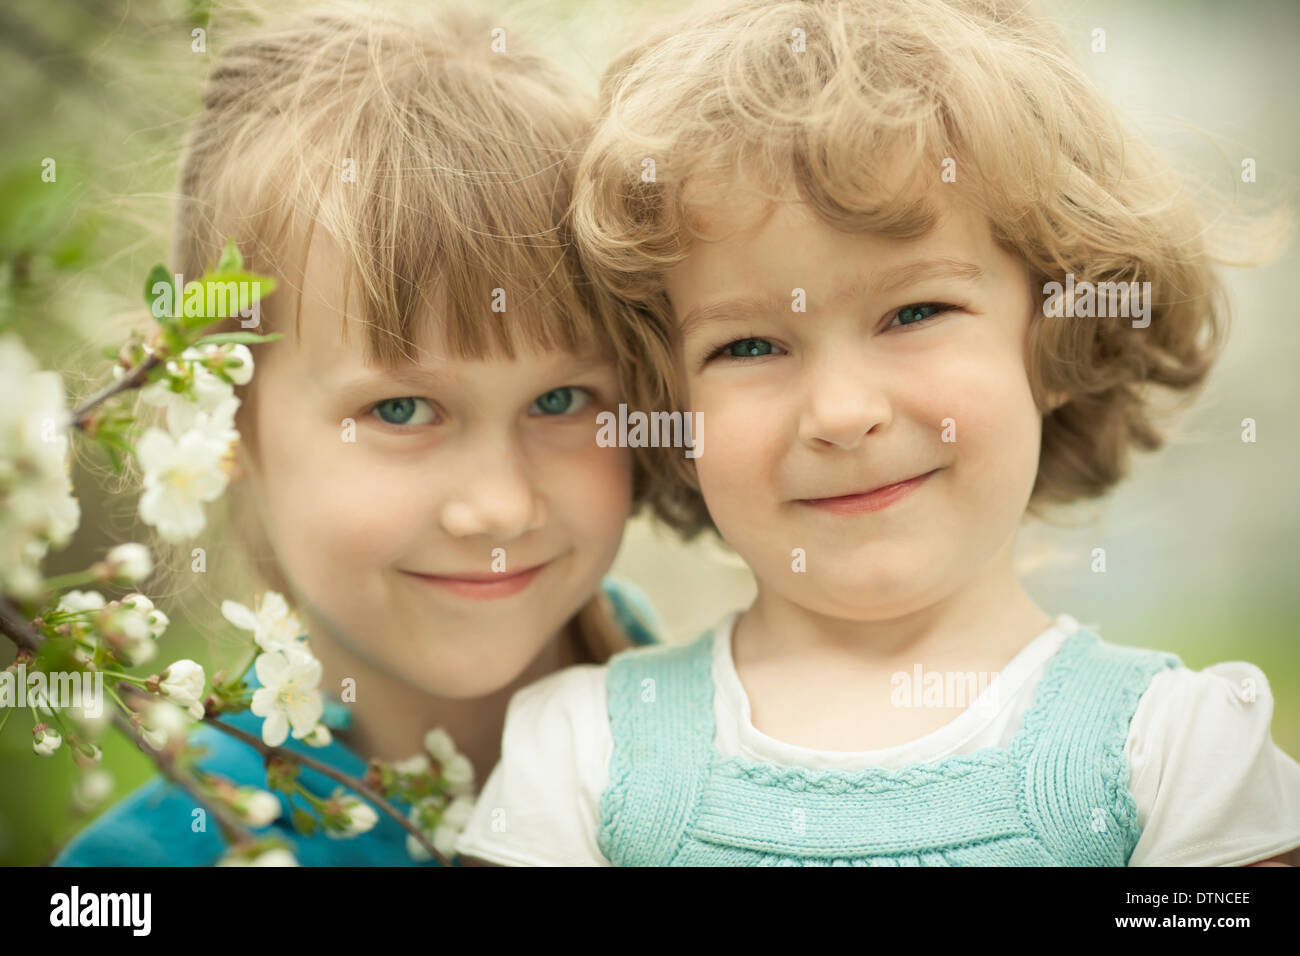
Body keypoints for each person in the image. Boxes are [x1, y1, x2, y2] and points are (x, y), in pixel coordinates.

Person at [456, 0, 1300, 866]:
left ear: (1057, 335)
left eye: (914, 311)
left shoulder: (1181, 757)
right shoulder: (582, 757)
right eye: (748, 344)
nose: (839, 411)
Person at [53, 0, 660, 867]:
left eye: (562, 399)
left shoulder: (749, 731)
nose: (497, 508)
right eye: (401, 410)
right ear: (222, 417)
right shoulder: (145, 868)